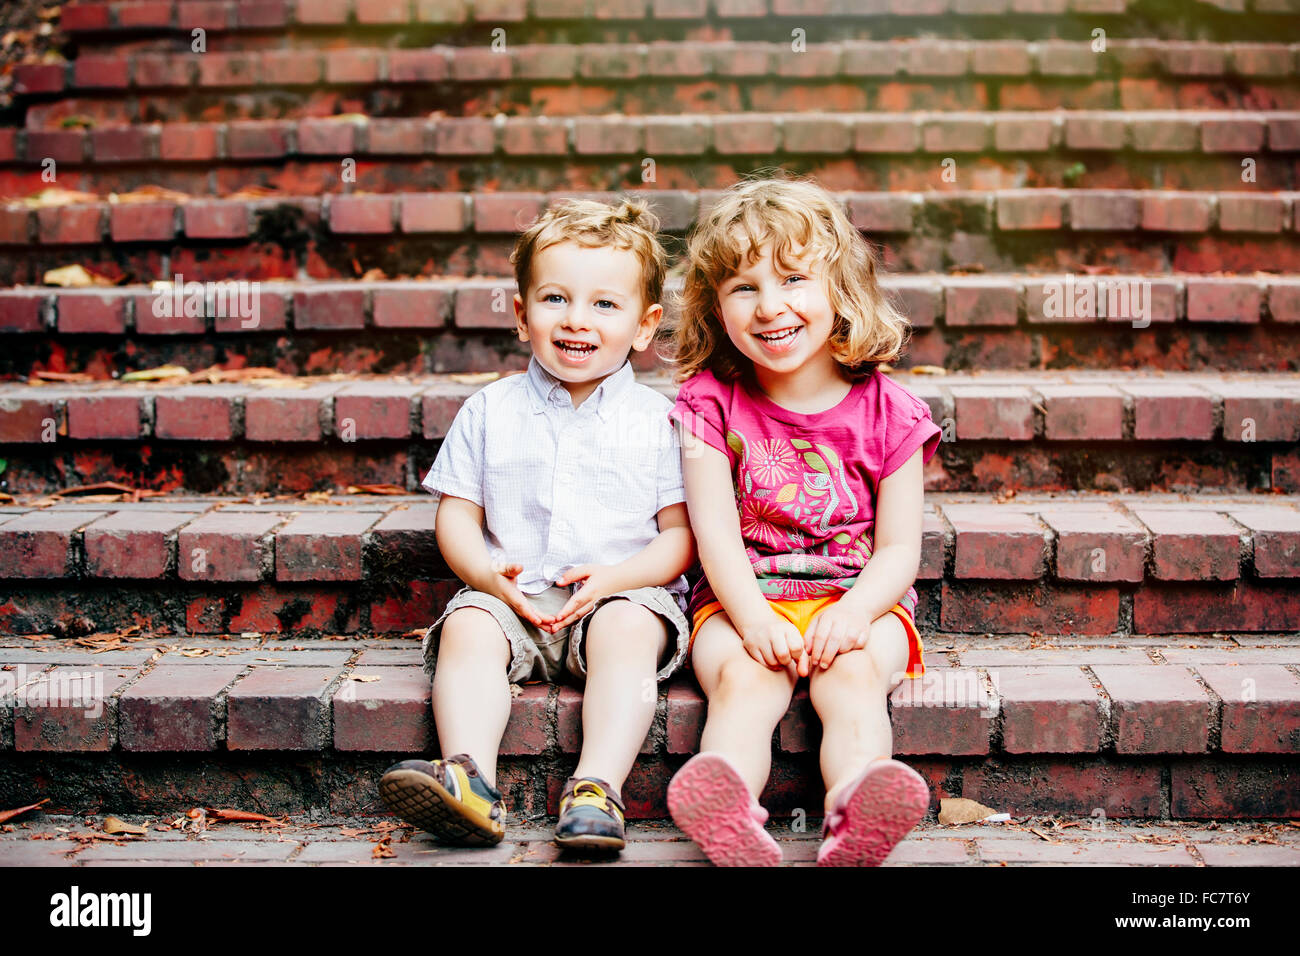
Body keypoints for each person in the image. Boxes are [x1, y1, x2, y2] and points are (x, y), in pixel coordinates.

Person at [380, 197, 694, 853]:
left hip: (619, 594)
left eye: (605, 304)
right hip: (513, 597)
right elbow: (458, 515)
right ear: (522, 315)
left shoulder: (659, 420)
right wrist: (484, 576)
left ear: (645, 325)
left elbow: (678, 537)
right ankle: (470, 781)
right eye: (555, 298)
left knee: (631, 628)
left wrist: (616, 578)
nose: (577, 320)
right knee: (466, 627)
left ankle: (594, 788)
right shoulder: (490, 409)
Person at [665, 175, 942, 866]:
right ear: (716, 307)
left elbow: (899, 547)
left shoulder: (892, 412)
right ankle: (726, 810)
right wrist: (753, 617)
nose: (770, 307)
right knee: (743, 682)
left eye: (793, 279)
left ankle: (857, 808)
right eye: (743, 288)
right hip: (740, 597)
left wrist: (854, 613)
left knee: (850, 680)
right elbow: (715, 534)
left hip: (858, 599)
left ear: (840, 289)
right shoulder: (709, 403)